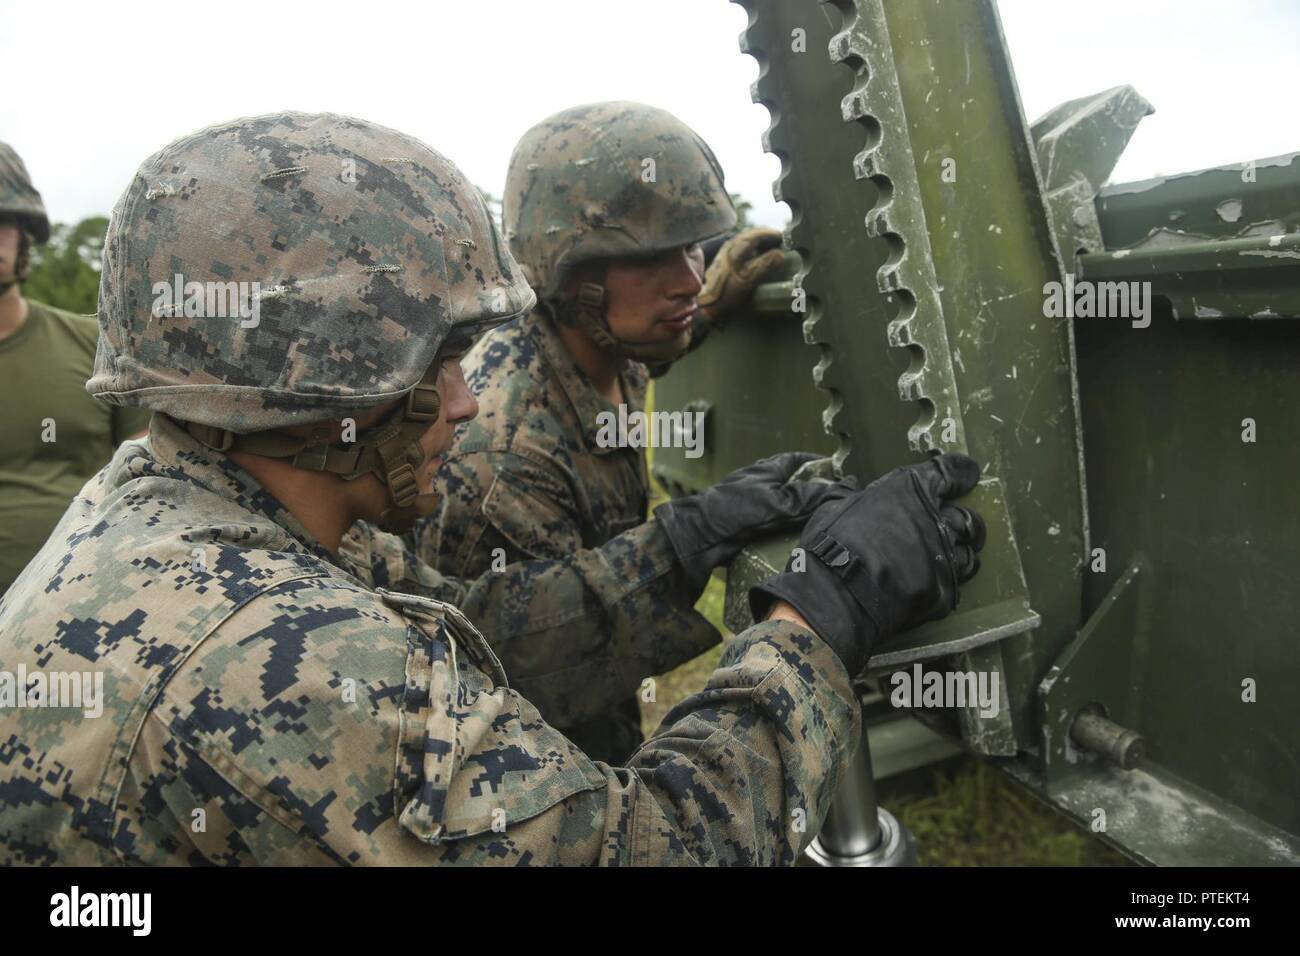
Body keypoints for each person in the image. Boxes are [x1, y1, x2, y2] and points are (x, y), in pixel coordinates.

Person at [0, 112, 985, 865]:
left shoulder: (177, 491)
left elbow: (478, 624)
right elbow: (654, 844)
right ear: (329, 377)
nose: (465, 402)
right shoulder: (284, 658)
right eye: (440, 361)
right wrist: (820, 614)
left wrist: (692, 533)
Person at [414, 102, 788, 762]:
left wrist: (704, 313)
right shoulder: (504, 454)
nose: (691, 278)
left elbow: (641, 352)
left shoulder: (598, 339)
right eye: (654, 259)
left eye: (695, 249)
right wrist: (696, 533)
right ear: (572, 278)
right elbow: (527, 668)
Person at [0, 141, 151, 593]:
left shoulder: (96, 349)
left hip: (79, 619)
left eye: (1, 220)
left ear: (25, 234)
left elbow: (152, 477)